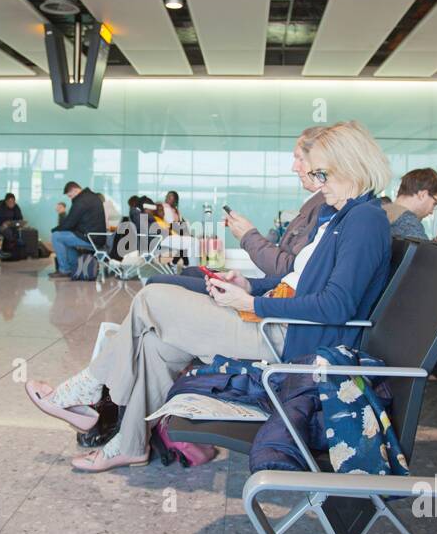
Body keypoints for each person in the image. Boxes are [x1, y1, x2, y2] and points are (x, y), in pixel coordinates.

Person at [25, 120, 395, 473]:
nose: (316, 183)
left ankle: (89, 388)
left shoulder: (363, 220)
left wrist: (251, 304)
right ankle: (130, 443)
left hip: (289, 339)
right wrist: (251, 287)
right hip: (281, 323)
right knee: (156, 345)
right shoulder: (340, 216)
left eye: (321, 174)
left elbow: (336, 305)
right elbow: (299, 279)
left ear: (351, 167)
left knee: (152, 298)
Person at [145, 125, 334, 295]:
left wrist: (248, 236)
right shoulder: (315, 208)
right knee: (189, 272)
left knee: (157, 283)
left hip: (273, 295)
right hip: (272, 288)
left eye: (299, 158)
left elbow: (286, 270)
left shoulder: (325, 210)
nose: (294, 167)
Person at [380, 167, 437, 243]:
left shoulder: (382, 210)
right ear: (423, 195)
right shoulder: (408, 222)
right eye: (435, 203)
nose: (431, 212)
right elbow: (426, 259)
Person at [51, 181, 106, 278]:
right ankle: (74, 267)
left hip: (91, 238)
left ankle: (64, 269)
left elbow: (70, 222)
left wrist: (54, 230)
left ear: (75, 190)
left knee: (56, 236)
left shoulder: (81, 201)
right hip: (96, 237)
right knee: (65, 238)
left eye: (70, 196)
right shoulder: (92, 197)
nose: (71, 198)